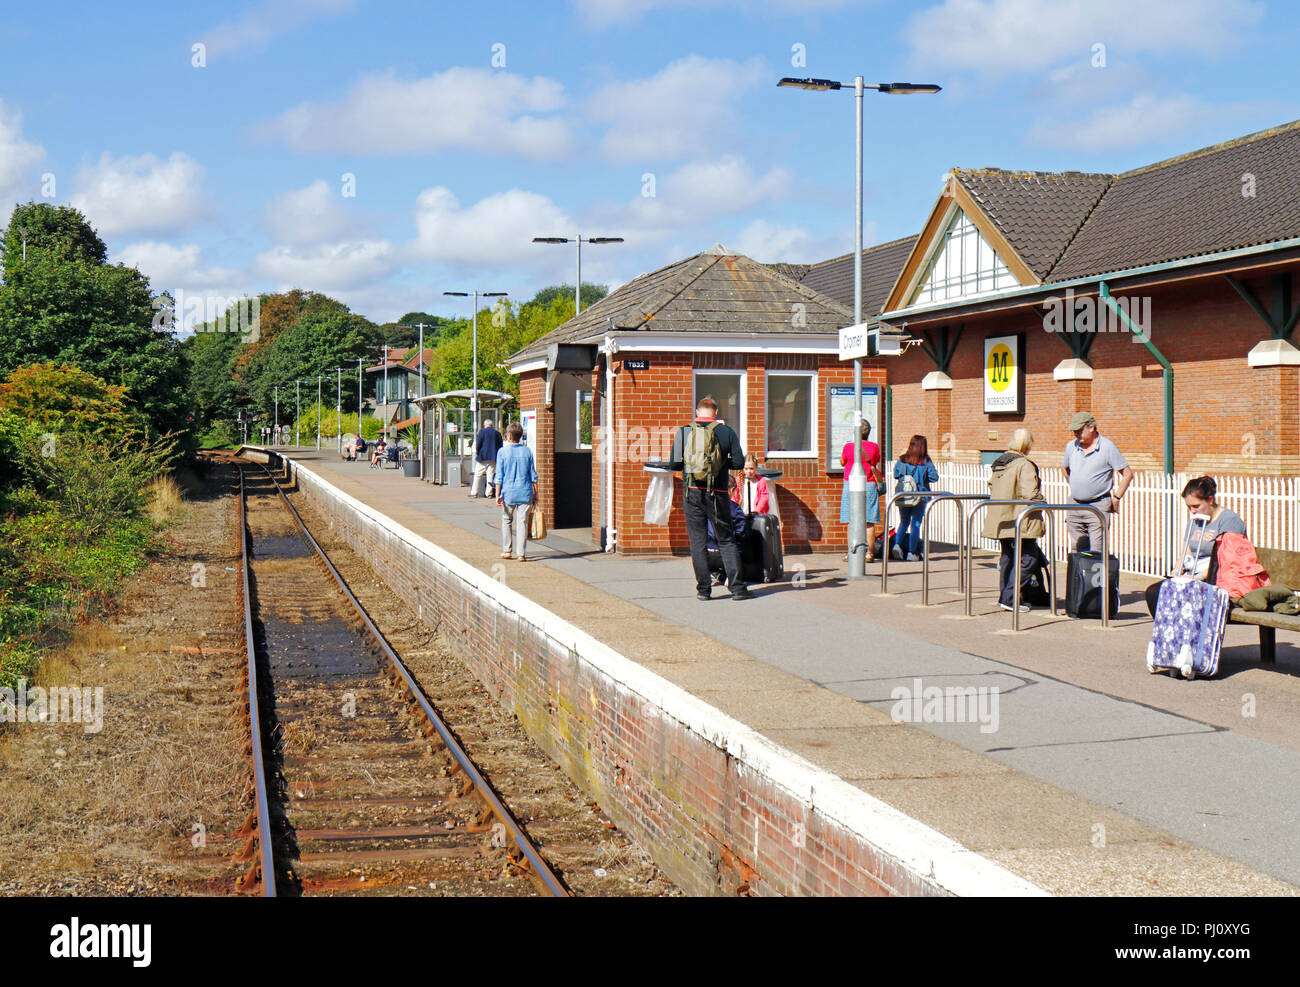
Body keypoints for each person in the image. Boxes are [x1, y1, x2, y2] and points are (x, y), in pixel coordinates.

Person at [668, 395, 751, 601]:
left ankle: (704, 590)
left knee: (698, 541)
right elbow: (739, 463)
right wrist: (723, 461)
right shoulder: (726, 431)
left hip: (692, 491)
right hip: (719, 493)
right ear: (715, 414)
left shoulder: (684, 431)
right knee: (726, 539)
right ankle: (738, 589)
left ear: (697, 413)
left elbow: (674, 465)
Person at [1143, 475, 1248, 617]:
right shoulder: (1196, 519)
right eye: (1188, 507)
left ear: (1210, 500)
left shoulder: (1230, 521)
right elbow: (1186, 551)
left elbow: (1226, 562)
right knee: (1154, 592)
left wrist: (1197, 577)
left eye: (1196, 506)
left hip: (1215, 577)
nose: (1192, 511)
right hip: (1193, 574)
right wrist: (1177, 571)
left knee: (1176, 597)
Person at [982, 429, 1049, 613]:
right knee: (1028, 559)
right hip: (1021, 519)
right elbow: (1030, 493)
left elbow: (991, 485)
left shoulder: (1000, 463)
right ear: (1026, 444)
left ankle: (1005, 595)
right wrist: (1043, 501)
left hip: (1002, 517)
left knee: (1008, 558)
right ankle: (1010, 598)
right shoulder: (1024, 464)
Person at [1063, 412, 1133, 554]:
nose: (1075, 434)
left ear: (1091, 428)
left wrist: (1116, 498)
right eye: (1074, 431)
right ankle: (1077, 577)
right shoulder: (1071, 446)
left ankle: (1095, 577)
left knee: (1096, 551)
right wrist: (1076, 486)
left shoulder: (1108, 447)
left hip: (1098, 505)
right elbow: (1064, 468)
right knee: (1076, 550)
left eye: (1078, 430)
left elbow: (1127, 474)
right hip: (1075, 505)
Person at [840, 419, 883, 562]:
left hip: (850, 483)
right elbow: (876, 461)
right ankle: (869, 553)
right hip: (869, 484)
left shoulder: (848, 447)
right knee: (869, 521)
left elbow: (843, 462)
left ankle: (851, 551)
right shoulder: (874, 447)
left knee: (850, 520)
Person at [891, 434, 940, 561]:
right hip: (920, 496)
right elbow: (934, 477)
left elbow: (896, 475)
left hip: (903, 496)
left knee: (904, 522)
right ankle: (912, 553)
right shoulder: (925, 461)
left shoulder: (902, 460)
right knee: (916, 524)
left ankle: (897, 545)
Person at [496, 422, 538, 561]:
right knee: (522, 523)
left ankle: (507, 550)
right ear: (520, 436)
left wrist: (497, 494)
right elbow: (533, 475)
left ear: (508, 436)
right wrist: (535, 493)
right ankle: (521, 554)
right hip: (525, 491)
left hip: (508, 492)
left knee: (507, 520)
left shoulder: (502, 452)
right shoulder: (527, 451)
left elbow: (499, 476)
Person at [708, 475, 750, 587]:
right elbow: (741, 531)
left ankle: (714, 574)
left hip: (707, 552)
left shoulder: (708, 506)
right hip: (726, 552)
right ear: (732, 490)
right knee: (742, 546)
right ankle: (731, 577)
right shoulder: (735, 508)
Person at [472, 417, 504, 498]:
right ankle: (489, 493)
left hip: (482, 457)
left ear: (485, 425)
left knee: (477, 475)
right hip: (493, 458)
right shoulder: (497, 433)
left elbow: (478, 444)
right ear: (492, 425)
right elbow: (500, 446)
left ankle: (474, 492)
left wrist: (478, 453)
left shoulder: (482, 432)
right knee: (490, 476)